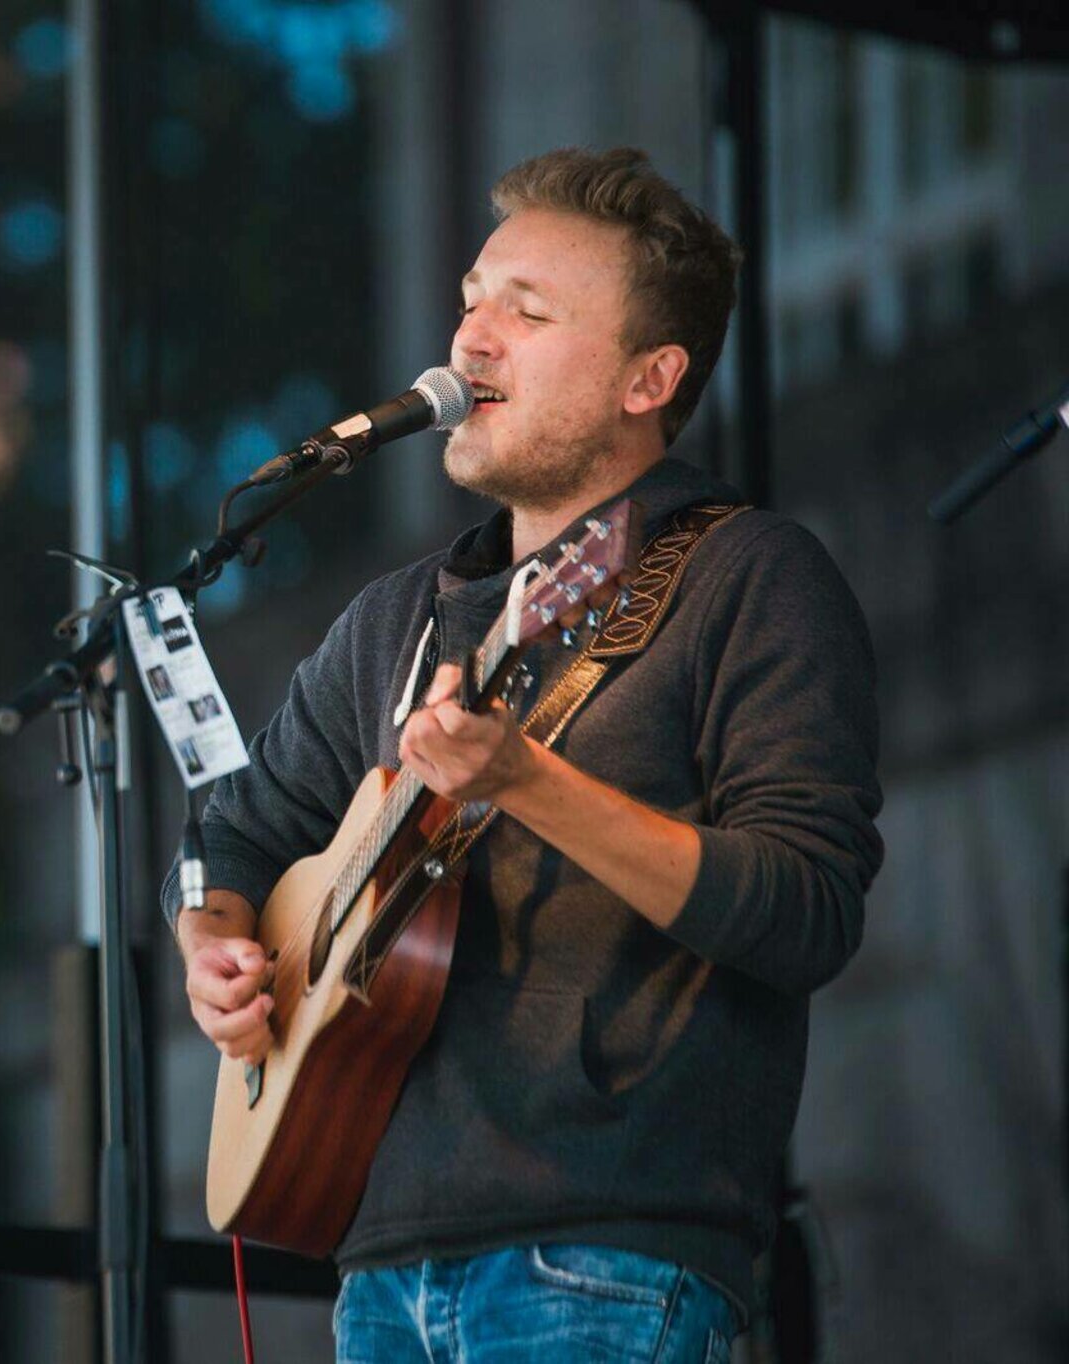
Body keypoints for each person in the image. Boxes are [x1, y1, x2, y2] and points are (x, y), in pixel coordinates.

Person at [163, 147, 883, 1363]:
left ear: (646, 377)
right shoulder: (392, 619)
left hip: (604, 1256)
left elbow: (806, 908)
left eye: (524, 311)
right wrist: (212, 939)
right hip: (377, 1268)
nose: (467, 341)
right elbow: (231, 826)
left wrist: (524, 783)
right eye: (471, 298)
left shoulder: (748, 577)